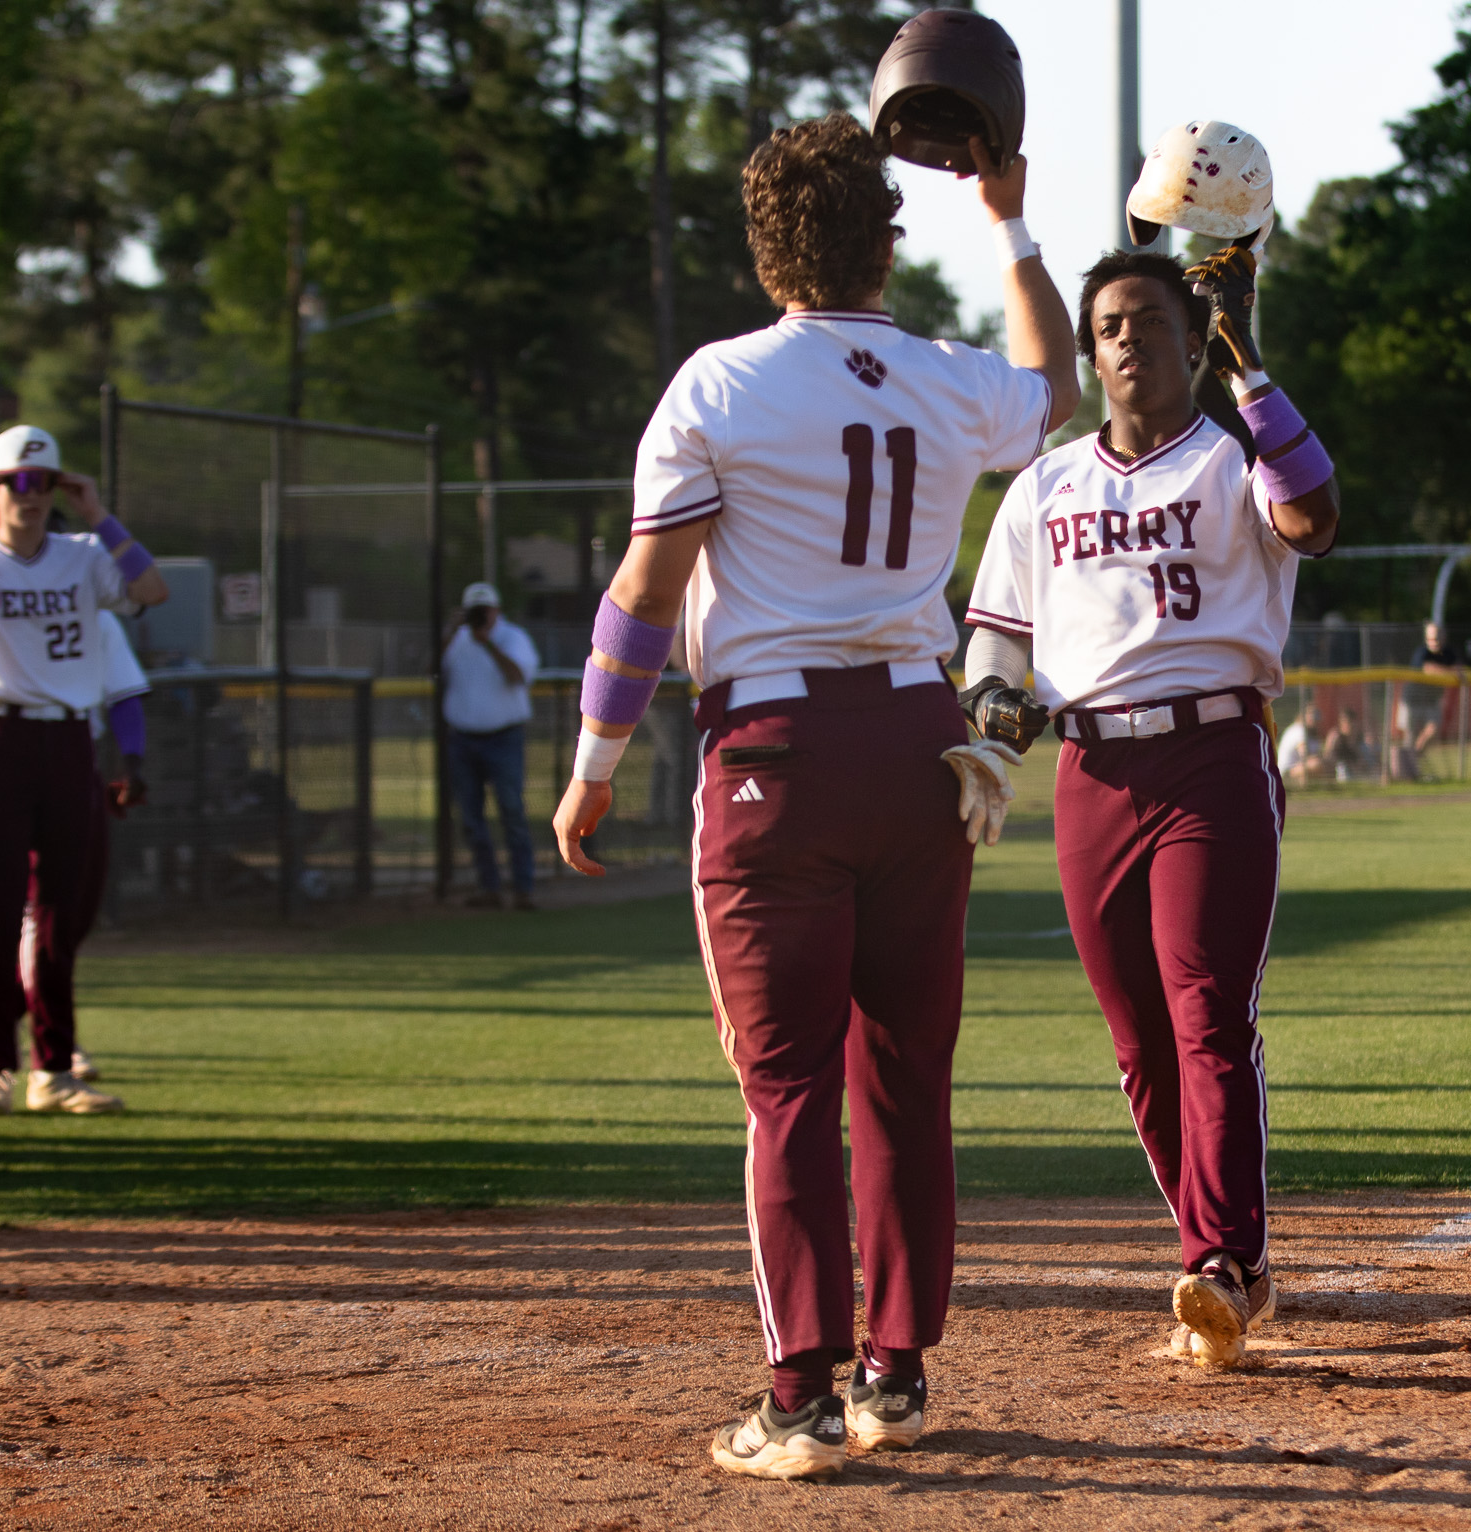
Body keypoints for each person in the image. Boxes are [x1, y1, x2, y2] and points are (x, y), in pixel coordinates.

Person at [551, 113, 1077, 1477]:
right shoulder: (949, 377)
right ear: (886, 244)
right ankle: (894, 1374)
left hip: (773, 761)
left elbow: (646, 598)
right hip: (919, 746)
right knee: (906, 1076)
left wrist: (593, 764)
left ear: (764, 248)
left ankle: (795, 1400)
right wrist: (1010, 219)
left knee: (786, 1094)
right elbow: (1055, 386)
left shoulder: (717, 386)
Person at [963, 243, 1338, 1369]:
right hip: (1091, 776)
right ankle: (1226, 1259)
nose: (1127, 338)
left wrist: (1251, 367)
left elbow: (1313, 516)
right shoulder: (1045, 486)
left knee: (1203, 1011)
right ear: (1094, 349)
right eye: (1110, 324)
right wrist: (991, 719)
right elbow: (996, 642)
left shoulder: (1233, 460)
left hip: (1211, 757)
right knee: (1138, 1041)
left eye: (1149, 320)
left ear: (1188, 339)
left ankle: (1219, 1257)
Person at [0, 425, 168, 1115]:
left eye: (43, 482)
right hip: (0, 736)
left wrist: (97, 512)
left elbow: (151, 589)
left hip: (67, 740)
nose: (29, 496)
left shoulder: (83, 553)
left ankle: (54, 1070)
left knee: (61, 915)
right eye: (15, 481)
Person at [19, 610, 150, 1088]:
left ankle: (41, 1025)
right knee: (21, 917)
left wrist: (132, 762)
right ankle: (44, 1045)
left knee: (70, 913)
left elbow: (123, 692)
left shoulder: (93, 612)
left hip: (74, 762)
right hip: (3, 756)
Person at [441, 581, 540, 911]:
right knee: (471, 817)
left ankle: (523, 889)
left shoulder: (513, 638)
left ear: (496, 610)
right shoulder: (456, 640)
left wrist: (487, 645)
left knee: (511, 811)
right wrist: (450, 631)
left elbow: (517, 676)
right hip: (462, 739)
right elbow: (430, 670)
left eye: (484, 611)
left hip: (503, 738)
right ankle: (489, 888)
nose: (480, 617)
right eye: (474, 611)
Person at [1399, 621, 1460, 764]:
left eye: (1438, 638)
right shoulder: (1422, 652)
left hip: (1431, 699)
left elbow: (1459, 669)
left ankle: (1415, 758)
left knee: (1433, 730)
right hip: (1412, 700)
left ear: (1444, 638)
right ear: (1426, 639)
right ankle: (1406, 768)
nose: (1435, 642)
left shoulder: (1449, 653)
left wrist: (1455, 672)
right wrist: (1450, 672)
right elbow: (1428, 669)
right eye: (1431, 639)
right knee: (1410, 737)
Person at [1276, 701, 1327, 787]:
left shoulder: (1312, 734)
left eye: (1315, 716)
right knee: (1316, 764)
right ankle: (1302, 786)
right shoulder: (1299, 730)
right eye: (1311, 715)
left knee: (1324, 763)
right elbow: (1305, 755)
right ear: (1304, 715)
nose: (1314, 719)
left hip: (1298, 767)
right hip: (1287, 772)